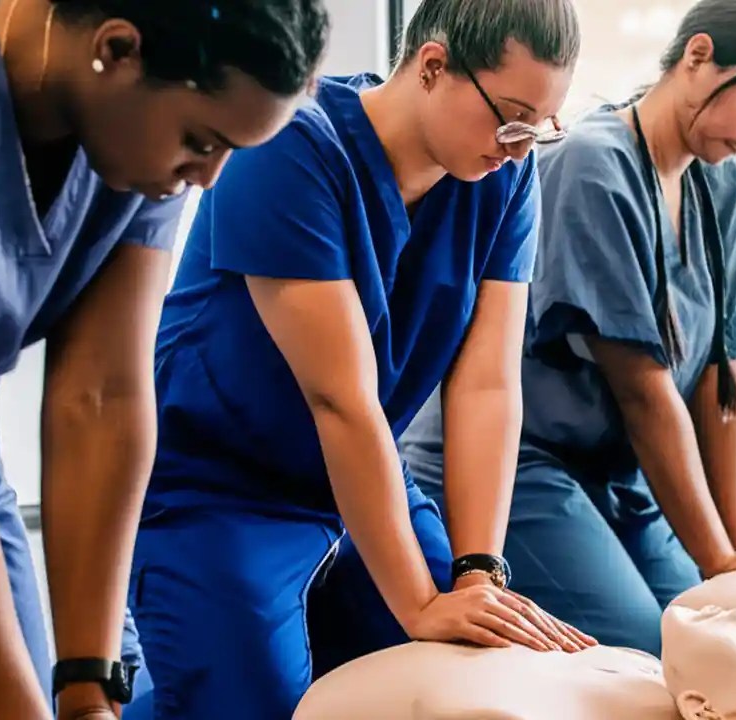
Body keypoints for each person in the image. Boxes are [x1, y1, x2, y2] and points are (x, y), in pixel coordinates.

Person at [0, 0, 326, 717]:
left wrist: (87, 686)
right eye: (202, 142)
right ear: (115, 50)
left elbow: (101, 397)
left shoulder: (137, 146)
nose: (207, 177)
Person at [128, 1, 593, 717]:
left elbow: (487, 385)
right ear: (433, 66)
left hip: (363, 476)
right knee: (257, 704)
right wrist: (419, 605)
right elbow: (338, 398)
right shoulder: (289, 142)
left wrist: (477, 572)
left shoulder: (502, 178)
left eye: (540, 128)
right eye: (511, 119)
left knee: (475, 669)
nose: (518, 147)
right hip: (216, 486)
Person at [401, 0, 736, 656]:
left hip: (617, 478)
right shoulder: (591, 164)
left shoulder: (716, 184)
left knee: (727, 630)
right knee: (652, 645)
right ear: (697, 57)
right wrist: (715, 558)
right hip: (525, 467)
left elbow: (724, 374)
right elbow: (643, 391)